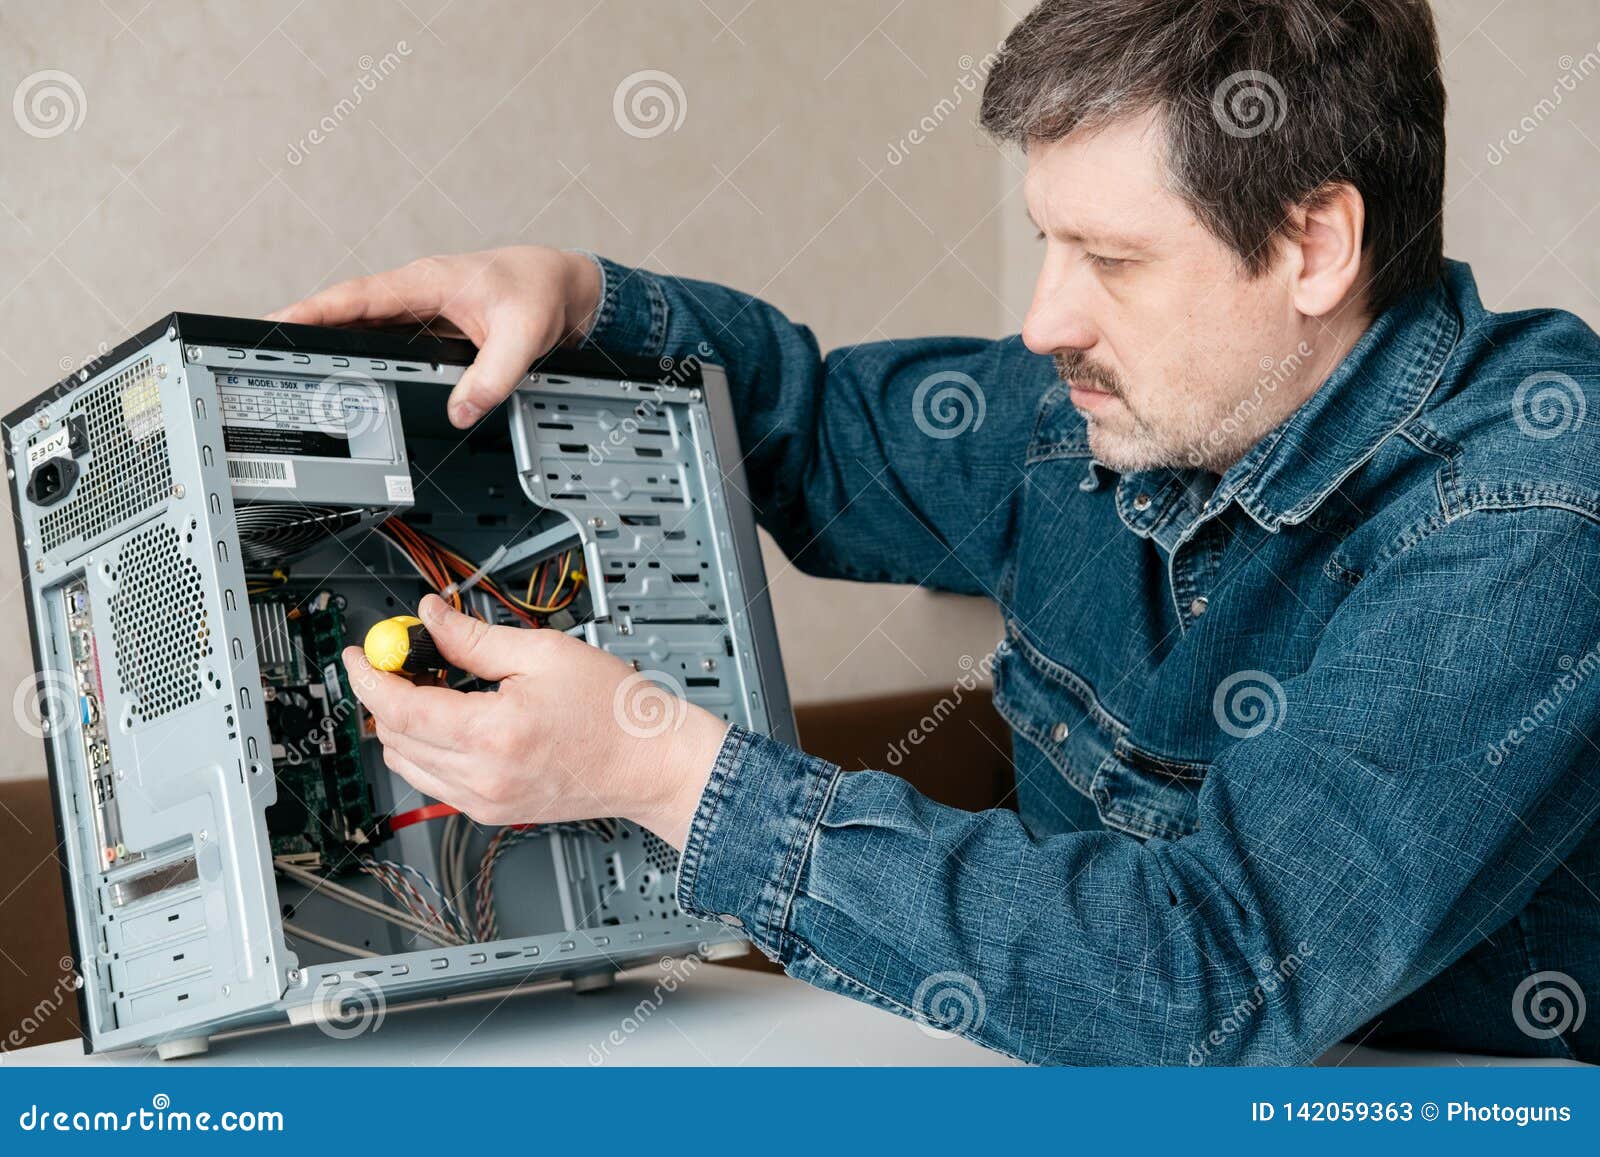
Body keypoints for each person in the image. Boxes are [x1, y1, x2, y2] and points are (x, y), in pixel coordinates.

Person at [269, 0, 1600, 1064]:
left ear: (1316, 243)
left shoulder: (1531, 513)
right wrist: (581, 295)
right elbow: (812, 432)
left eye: (1111, 259)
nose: (1042, 322)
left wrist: (669, 774)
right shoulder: (1098, 409)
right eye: (1044, 241)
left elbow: (1212, 979)